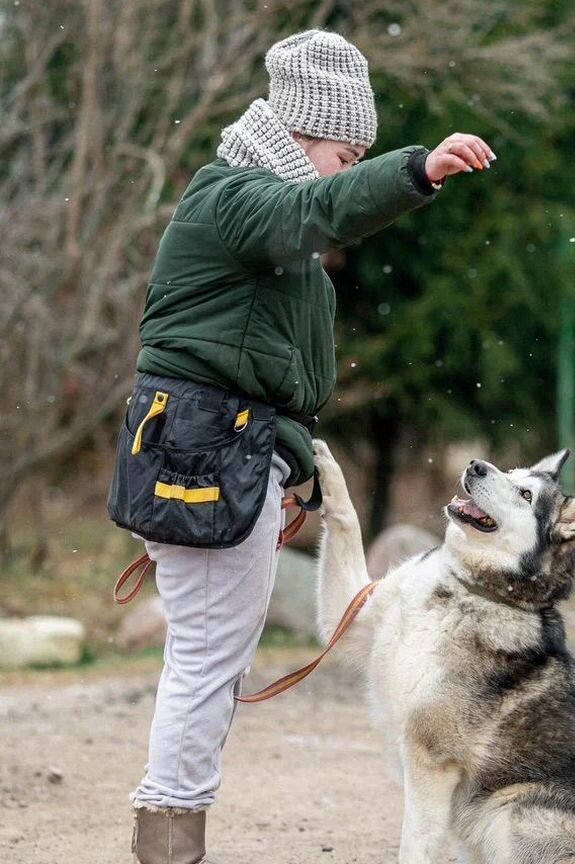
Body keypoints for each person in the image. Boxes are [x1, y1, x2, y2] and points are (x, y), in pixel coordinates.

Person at [113, 28, 495, 864]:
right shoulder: (237, 198)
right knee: (209, 661)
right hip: (199, 456)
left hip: (227, 455)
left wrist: (289, 469)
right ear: (294, 137)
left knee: (210, 656)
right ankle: (168, 842)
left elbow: (278, 383)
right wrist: (413, 169)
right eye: (344, 152)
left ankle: (171, 833)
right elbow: (313, 209)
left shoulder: (288, 258)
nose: (346, 171)